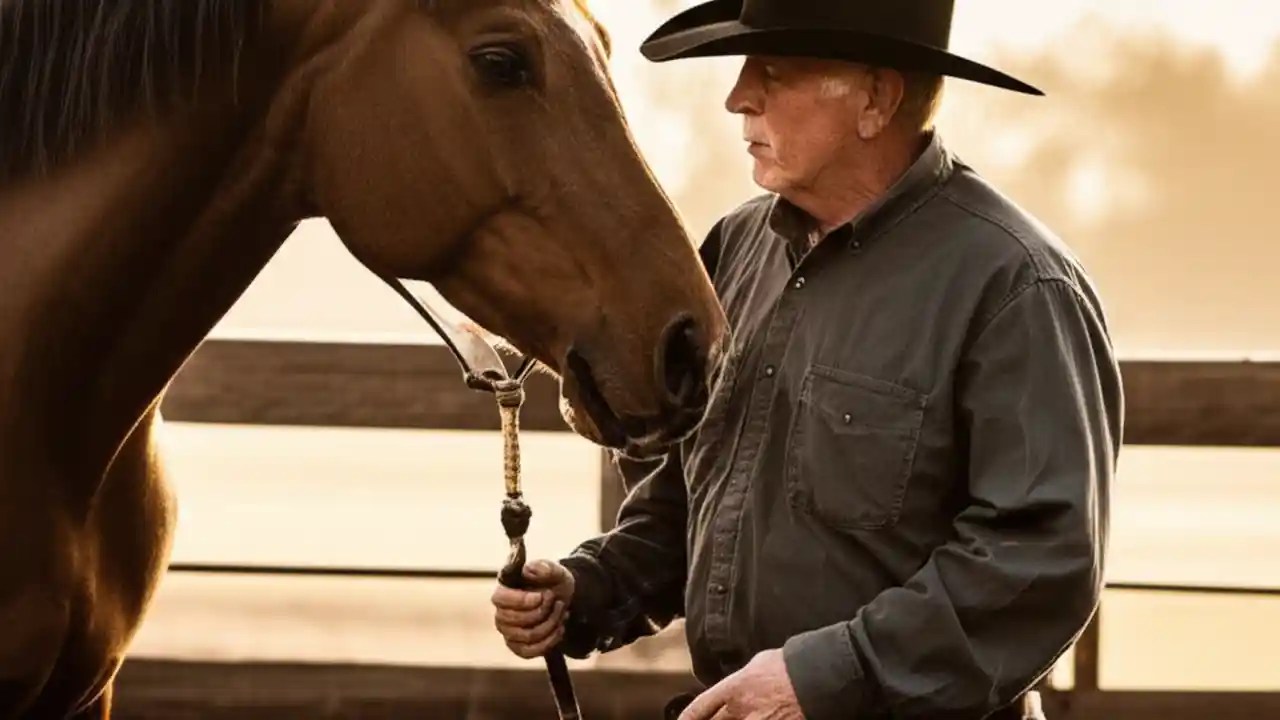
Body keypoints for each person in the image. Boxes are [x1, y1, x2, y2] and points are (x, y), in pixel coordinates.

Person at [491, 1, 1124, 718]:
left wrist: (822, 680)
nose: (738, 96)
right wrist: (590, 589)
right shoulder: (733, 250)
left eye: (774, 71)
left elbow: (1039, 563)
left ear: (875, 99)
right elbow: (688, 503)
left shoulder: (1017, 286)